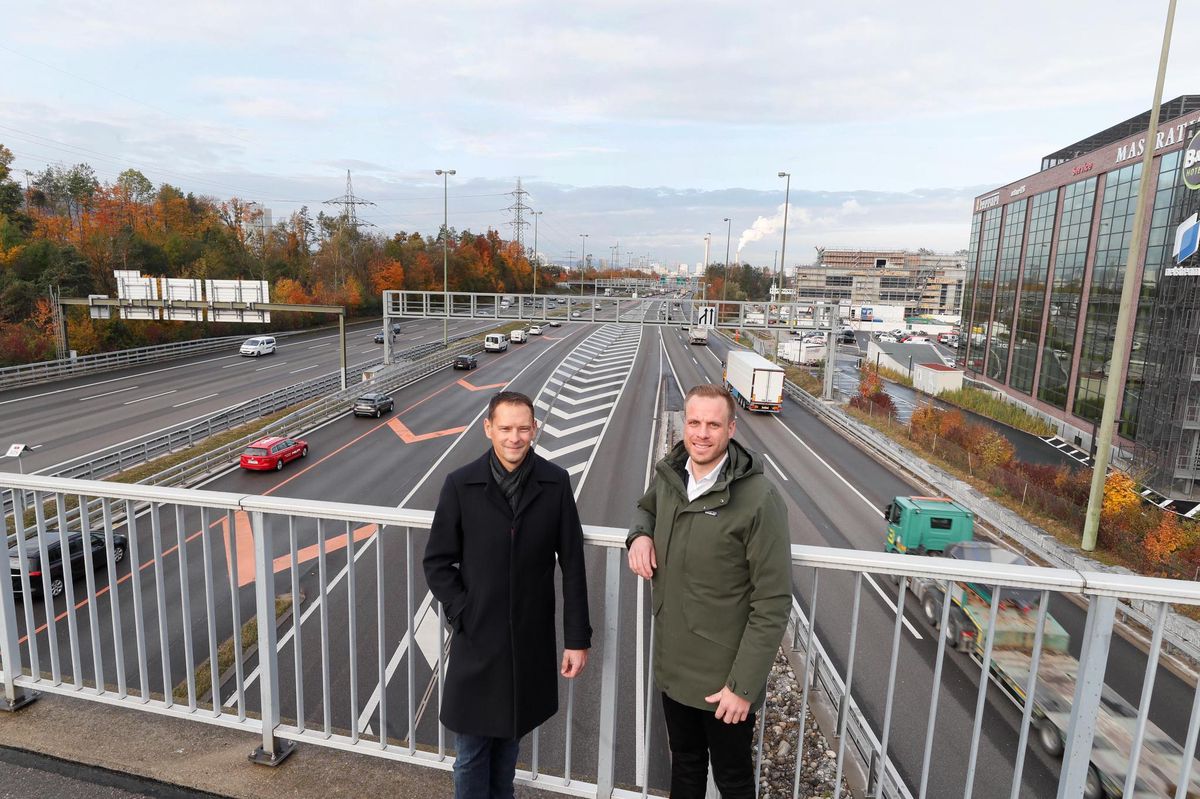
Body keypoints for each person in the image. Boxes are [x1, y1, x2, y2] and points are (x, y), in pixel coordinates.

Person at [424, 390, 592, 799]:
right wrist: (464, 610)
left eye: (522, 428)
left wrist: (576, 639)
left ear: (535, 429)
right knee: (471, 751)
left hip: (528, 640)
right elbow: (437, 562)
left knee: (509, 744)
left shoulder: (554, 483)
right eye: (505, 428)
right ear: (488, 429)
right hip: (478, 638)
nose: (514, 437)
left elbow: (572, 563)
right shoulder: (461, 484)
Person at [627, 383, 790, 798]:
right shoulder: (670, 476)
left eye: (713, 424)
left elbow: (771, 602)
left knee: (732, 780)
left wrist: (743, 687)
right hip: (674, 667)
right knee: (684, 768)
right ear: (685, 423)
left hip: (724, 681)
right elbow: (645, 509)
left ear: (731, 429)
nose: (701, 433)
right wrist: (639, 537)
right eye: (694, 422)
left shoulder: (758, 499)